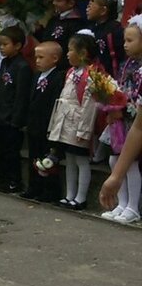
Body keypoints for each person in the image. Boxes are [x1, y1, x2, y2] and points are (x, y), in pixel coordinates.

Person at [47, 31, 101, 210]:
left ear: (83, 53)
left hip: (78, 122)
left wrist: (83, 130)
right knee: (69, 159)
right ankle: (69, 194)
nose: (68, 54)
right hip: (65, 122)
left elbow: (89, 106)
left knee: (81, 160)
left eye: (71, 50)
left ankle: (81, 197)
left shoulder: (91, 75)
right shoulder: (71, 71)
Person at [99, 16, 142, 223]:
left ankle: (132, 206)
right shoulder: (128, 65)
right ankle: (122, 203)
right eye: (124, 40)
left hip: (129, 117)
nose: (125, 45)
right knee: (116, 158)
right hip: (122, 121)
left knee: (132, 164)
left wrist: (124, 110)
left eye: (130, 40)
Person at [0, 26, 32, 193]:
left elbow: (21, 95)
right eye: (0, 45)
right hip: (0, 113)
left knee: (11, 152)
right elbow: (2, 84)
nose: (1, 48)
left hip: (11, 117)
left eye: (5, 44)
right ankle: (0, 177)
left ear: (18, 45)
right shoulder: (5, 62)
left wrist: (17, 120)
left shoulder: (22, 67)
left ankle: (14, 180)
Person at [20, 42, 65, 203]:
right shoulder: (36, 76)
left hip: (47, 124)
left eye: (41, 57)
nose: (37, 61)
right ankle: (34, 187)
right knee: (34, 156)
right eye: (35, 57)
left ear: (54, 59)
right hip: (34, 124)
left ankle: (50, 190)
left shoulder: (58, 77)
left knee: (48, 159)